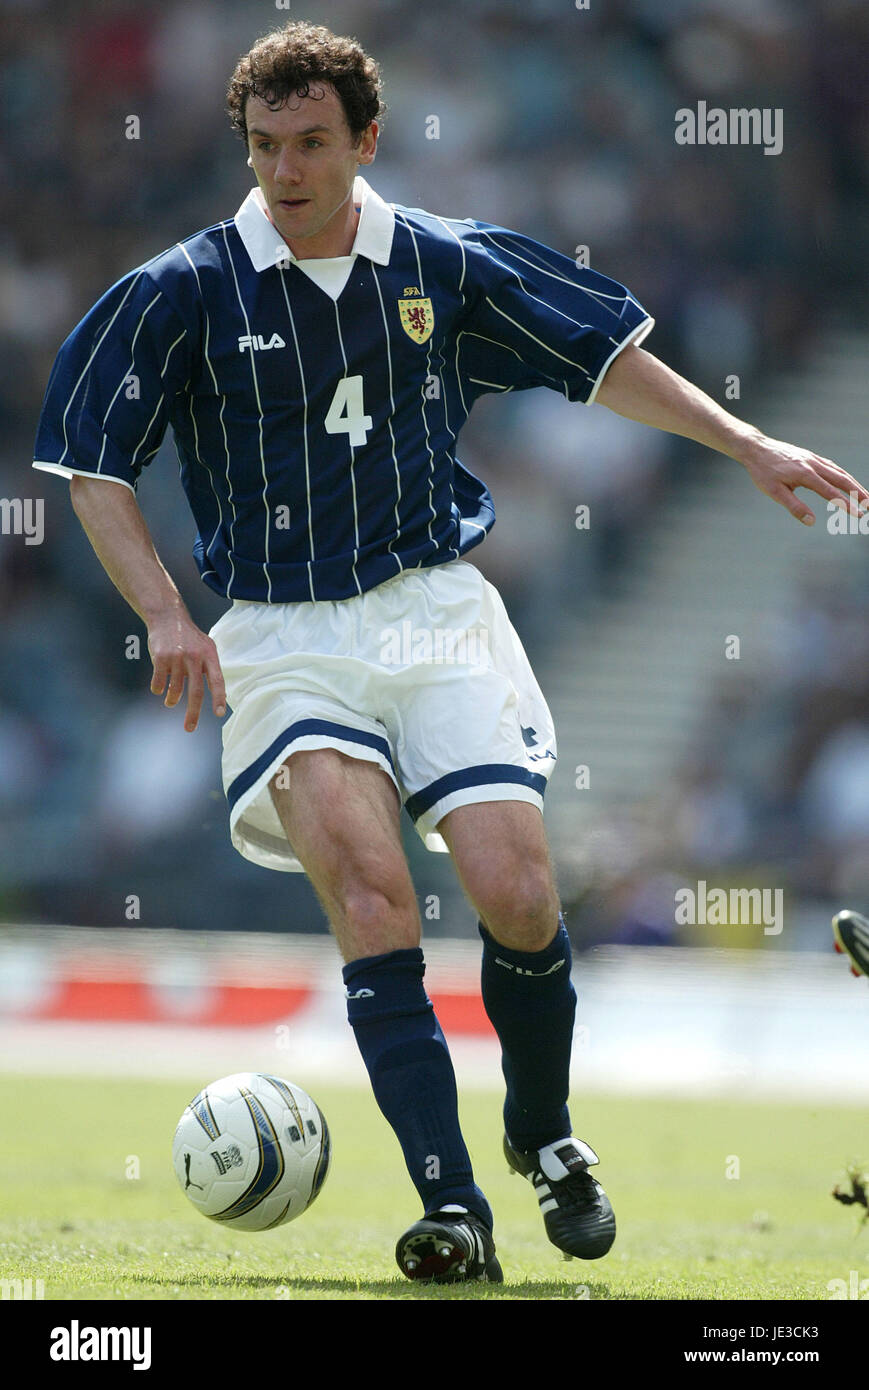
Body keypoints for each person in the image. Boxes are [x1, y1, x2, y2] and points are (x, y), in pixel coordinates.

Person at [33, 21, 869, 1284]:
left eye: (312, 143)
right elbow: (92, 464)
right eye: (265, 147)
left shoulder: (443, 261)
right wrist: (162, 609)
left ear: (365, 139)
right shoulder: (183, 289)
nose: (287, 170)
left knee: (517, 890)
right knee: (369, 897)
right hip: (280, 632)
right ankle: (452, 1206)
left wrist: (746, 445)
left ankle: (543, 1136)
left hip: (433, 612)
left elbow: (606, 360)